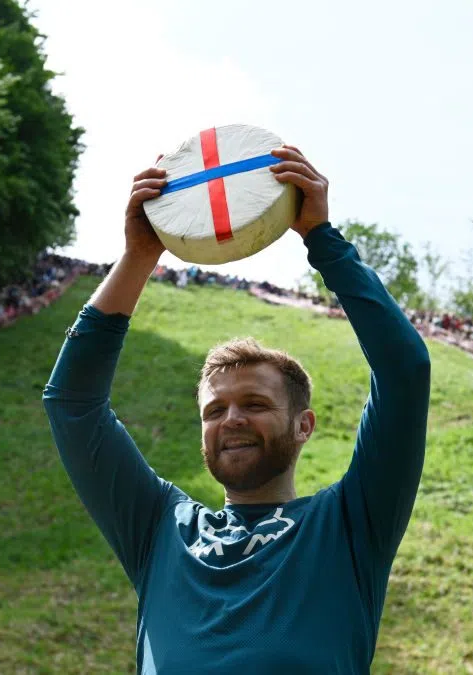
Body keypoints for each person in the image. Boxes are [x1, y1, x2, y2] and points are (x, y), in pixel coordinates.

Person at [43, 146, 432, 672]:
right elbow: (72, 405)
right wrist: (138, 257)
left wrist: (323, 239)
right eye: (214, 411)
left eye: (255, 403)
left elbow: (404, 371)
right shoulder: (159, 530)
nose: (231, 420)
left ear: (304, 425)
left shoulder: (349, 526)